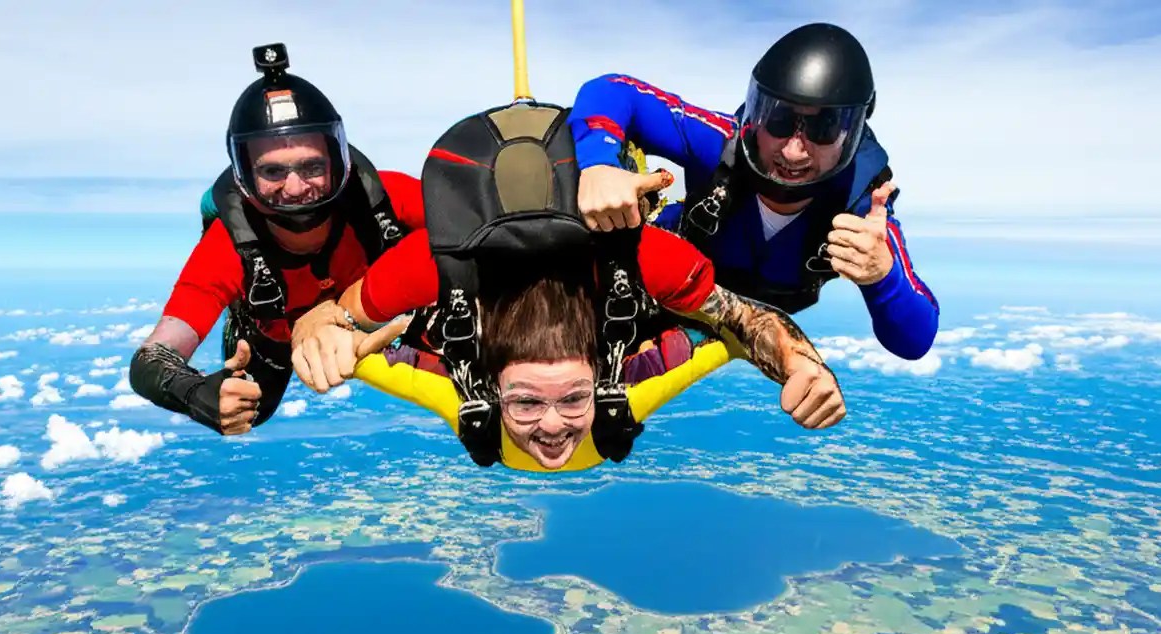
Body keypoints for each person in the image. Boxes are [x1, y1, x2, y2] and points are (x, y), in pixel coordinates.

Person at [289, 99, 846, 472]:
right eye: (527, 402)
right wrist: (322, 334)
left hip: (615, 265)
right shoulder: (426, 266)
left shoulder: (649, 260)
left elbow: (745, 320)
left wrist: (804, 366)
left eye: (574, 399)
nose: (553, 428)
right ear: (484, 380)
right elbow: (337, 318)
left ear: (606, 371)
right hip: (454, 294)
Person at [570, 22, 939, 360]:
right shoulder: (721, 144)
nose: (794, 150)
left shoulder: (861, 207)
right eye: (779, 120)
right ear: (757, 114)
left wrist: (882, 276)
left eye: (823, 128)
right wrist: (599, 162)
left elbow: (914, 340)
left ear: (851, 134)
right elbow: (613, 90)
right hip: (673, 282)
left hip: (741, 314)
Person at [128, 43, 424, 434]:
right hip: (275, 338)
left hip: (374, 319)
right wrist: (196, 393)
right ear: (243, 175)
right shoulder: (229, 245)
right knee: (250, 409)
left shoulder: (382, 198)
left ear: (337, 161)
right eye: (272, 172)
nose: (296, 188)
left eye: (312, 166)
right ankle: (242, 330)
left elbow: (476, 226)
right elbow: (153, 356)